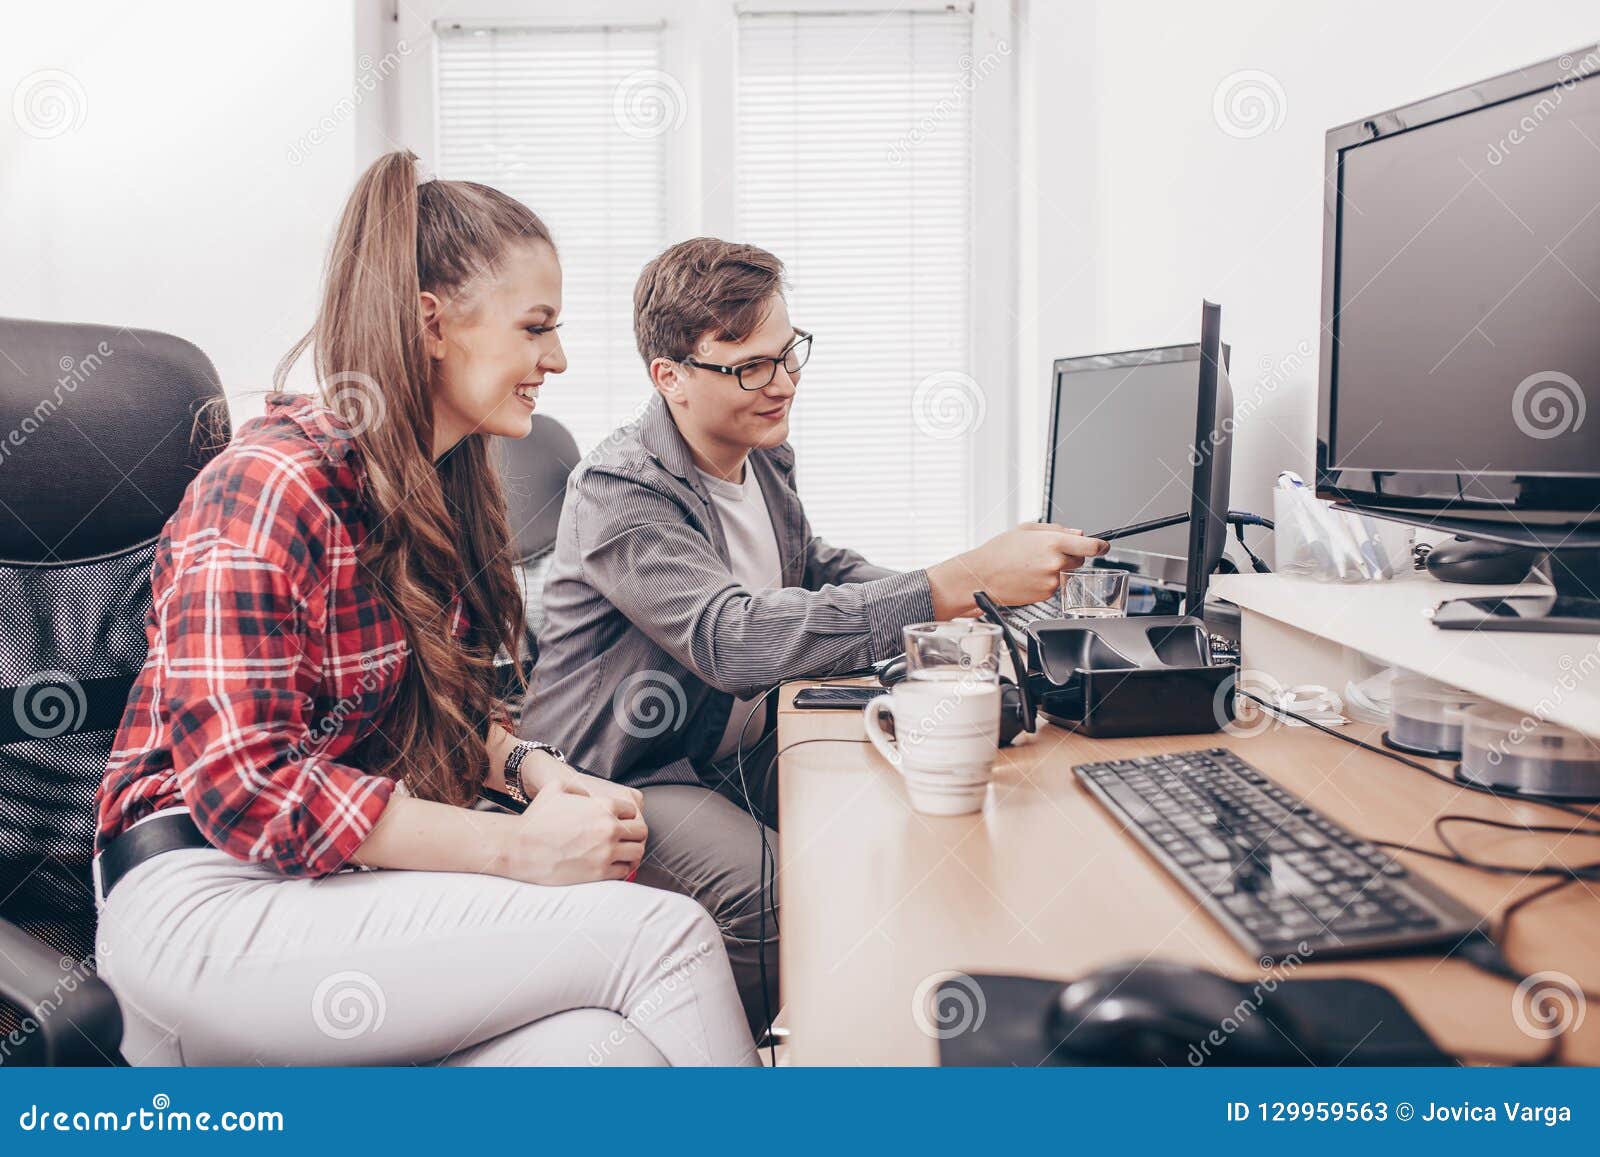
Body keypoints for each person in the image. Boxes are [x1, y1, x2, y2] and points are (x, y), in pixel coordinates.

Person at [93, 155, 755, 1068]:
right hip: (208, 902)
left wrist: (530, 772)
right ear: (430, 324)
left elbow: (425, 704)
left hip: (333, 893)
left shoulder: (435, 491)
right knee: (663, 936)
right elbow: (247, 787)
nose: (555, 358)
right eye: (536, 327)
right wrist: (522, 849)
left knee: (606, 1055)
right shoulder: (266, 487)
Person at [525, 237, 1108, 1034]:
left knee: (896, 819)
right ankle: (710, 1060)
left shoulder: (760, 458)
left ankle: (890, 1035)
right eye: (750, 367)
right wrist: (948, 585)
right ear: (670, 378)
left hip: (725, 746)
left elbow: (812, 565)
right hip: (625, 772)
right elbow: (734, 639)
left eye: (788, 352)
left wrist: (971, 599)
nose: (785, 383)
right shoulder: (620, 491)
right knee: (775, 898)